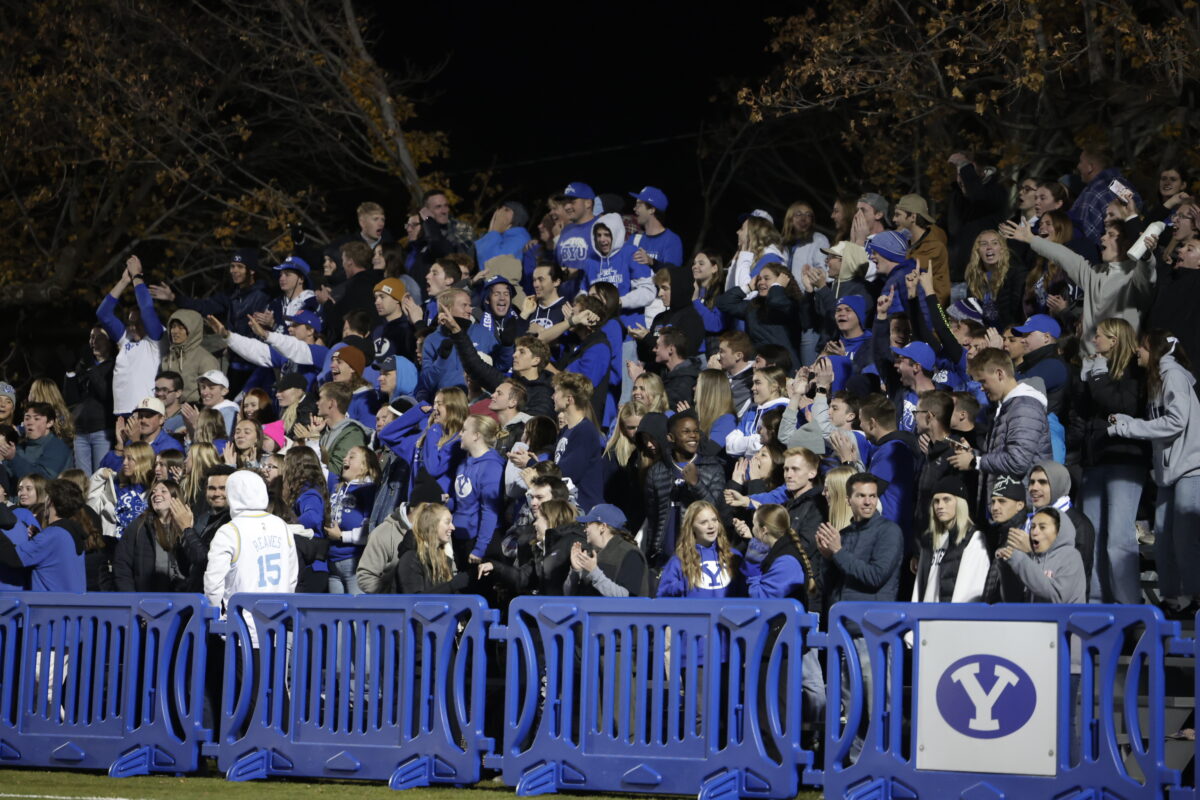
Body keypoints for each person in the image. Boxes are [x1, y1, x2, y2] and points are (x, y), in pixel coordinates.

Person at [1108, 331, 1200, 615]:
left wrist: (1128, 427)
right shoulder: (1158, 380)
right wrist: (1126, 421)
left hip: (1191, 469)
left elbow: (1175, 422)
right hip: (1169, 473)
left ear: (1157, 349)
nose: (1137, 350)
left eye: (1143, 346)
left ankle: (1194, 598)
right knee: (1164, 538)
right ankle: (1172, 600)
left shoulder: (1174, 376)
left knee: (1184, 540)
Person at [1073, 318, 1148, 604]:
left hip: (1124, 460)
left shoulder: (1132, 370)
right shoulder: (1096, 369)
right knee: (1092, 535)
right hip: (1095, 459)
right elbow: (1082, 411)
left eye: (1100, 336)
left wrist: (1098, 376)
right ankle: (1096, 598)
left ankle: (1128, 603)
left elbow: (1123, 406)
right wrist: (1084, 380)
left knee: (1119, 538)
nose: (1095, 341)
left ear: (1114, 340)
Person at [202, 471, 299, 644]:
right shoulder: (281, 526)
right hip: (278, 624)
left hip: (243, 628)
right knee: (274, 672)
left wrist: (215, 612)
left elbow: (213, 581)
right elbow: (292, 577)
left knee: (244, 672)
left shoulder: (230, 530)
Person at [97, 255, 164, 416]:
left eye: (137, 323)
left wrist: (137, 277)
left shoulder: (156, 338)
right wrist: (123, 282)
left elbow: (147, 309)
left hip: (146, 413)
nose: (132, 327)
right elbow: (103, 314)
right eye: (130, 323)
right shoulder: (125, 337)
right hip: (122, 413)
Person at [0, 479, 91, 592]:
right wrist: (37, 538)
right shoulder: (70, 532)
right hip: (70, 604)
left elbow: (14, 558)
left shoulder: (53, 535)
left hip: (50, 605)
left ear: (50, 502)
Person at [911, 476, 989, 603]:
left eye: (946, 500)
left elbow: (971, 590)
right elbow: (919, 588)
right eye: (936, 501)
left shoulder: (973, 538)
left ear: (960, 503)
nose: (940, 506)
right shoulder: (929, 540)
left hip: (950, 618)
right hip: (926, 615)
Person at [113, 479, 197, 592]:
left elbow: (197, 562)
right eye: (153, 492)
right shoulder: (139, 525)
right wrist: (131, 597)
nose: (156, 494)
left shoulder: (186, 526)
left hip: (181, 599)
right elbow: (121, 564)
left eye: (163, 491)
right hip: (147, 600)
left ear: (175, 497)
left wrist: (188, 530)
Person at [995, 507, 1086, 603]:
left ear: (1058, 531)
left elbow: (1057, 596)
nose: (1034, 532)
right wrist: (1006, 566)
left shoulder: (1071, 556)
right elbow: (1014, 601)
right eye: (1032, 527)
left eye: (1042, 527)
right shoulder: (1029, 558)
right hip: (1034, 618)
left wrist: (1021, 560)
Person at [451, 414, 506, 566]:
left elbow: (490, 511)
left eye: (464, 430)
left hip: (476, 540)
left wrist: (480, 549)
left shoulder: (492, 467)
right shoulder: (464, 464)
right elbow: (462, 501)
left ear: (476, 435)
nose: (460, 434)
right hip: (459, 536)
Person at [324, 445, 379, 595]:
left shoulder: (368, 490)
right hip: (333, 561)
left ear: (364, 466)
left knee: (357, 614)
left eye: (352, 456)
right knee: (337, 616)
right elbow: (318, 469)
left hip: (354, 561)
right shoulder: (337, 487)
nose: (345, 459)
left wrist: (342, 536)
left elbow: (371, 529)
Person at [564, 503, 649, 597]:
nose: (585, 529)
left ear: (603, 527)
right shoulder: (590, 554)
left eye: (588, 524)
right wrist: (576, 571)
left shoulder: (630, 553)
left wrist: (594, 572)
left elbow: (626, 598)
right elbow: (569, 595)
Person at [656, 501, 737, 598]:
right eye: (704, 522)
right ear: (692, 527)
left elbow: (744, 594)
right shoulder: (680, 559)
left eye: (714, 520)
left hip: (725, 613)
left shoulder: (733, 556)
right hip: (696, 612)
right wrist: (683, 585)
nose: (711, 526)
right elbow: (662, 596)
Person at [552, 372, 606, 511]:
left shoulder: (585, 431)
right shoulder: (567, 430)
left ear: (569, 399)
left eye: (557, 392)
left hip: (583, 512)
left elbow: (566, 474)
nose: (553, 396)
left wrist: (533, 466)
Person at [394, 503, 471, 594]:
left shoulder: (443, 556)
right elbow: (414, 601)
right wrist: (453, 585)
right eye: (447, 522)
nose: (453, 527)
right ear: (432, 525)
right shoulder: (410, 558)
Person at [0, 403, 73, 480]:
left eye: (36, 419)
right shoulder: (20, 446)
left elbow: (42, 480)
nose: (30, 423)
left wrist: (13, 458)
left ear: (49, 423)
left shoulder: (57, 447)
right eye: (27, 418)